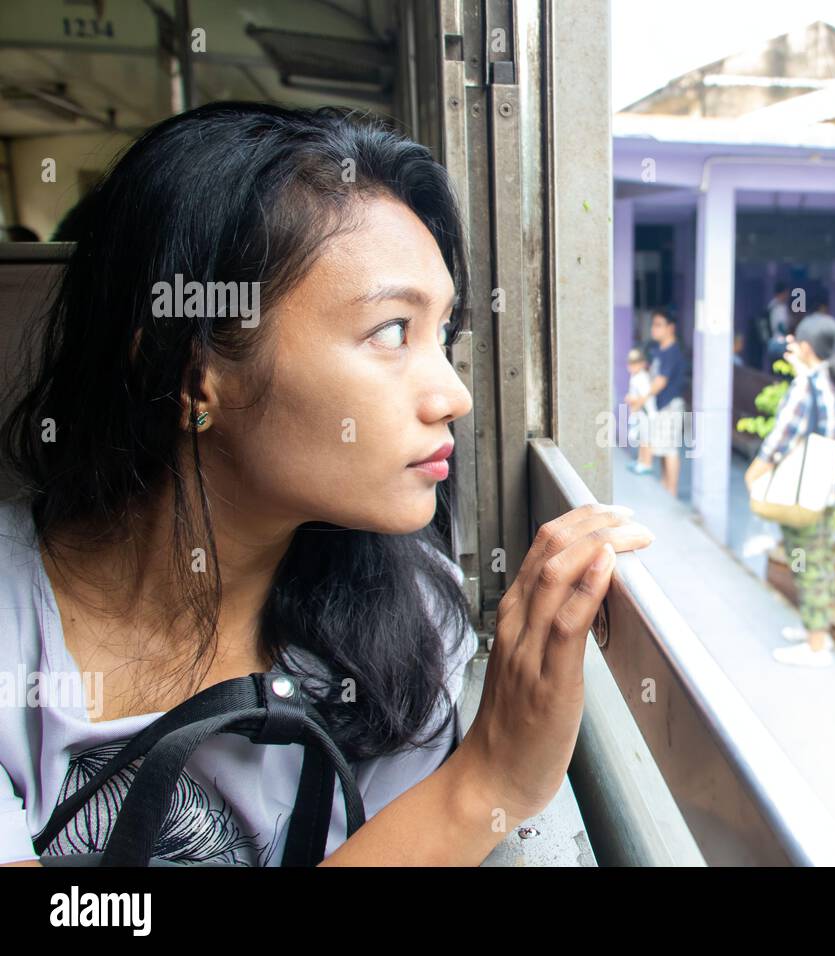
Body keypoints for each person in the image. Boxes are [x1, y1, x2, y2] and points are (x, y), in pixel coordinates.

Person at [0, 102, 654, 867]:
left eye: (442, 334)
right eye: (390, 333)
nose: (454, 395)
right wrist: (483, 784)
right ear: (193, 373)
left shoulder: (404, 629)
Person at [744, 316, 835, 669]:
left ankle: (816, 646)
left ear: (805, 347)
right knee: (819, 559)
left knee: (808, 563)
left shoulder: (806, 388)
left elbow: (782, 436)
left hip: (803, 491)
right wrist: (802, 369)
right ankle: (816, 629)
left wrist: (756, 470)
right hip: (828, 487)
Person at [629, 309, 686, 499]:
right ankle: (665, 486)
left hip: (671, 406)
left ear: (671, 328)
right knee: (661, 448)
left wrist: (640, 401)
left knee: (669, 449)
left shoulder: (672, 352)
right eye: (653, 324)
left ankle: (672, 490)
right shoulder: (659, 350)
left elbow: (660, 381)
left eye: (659, 325)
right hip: (661, 407)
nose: (654, 328)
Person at [624, 347, 656, 474]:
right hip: (639, 413)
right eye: (630, 363)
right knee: (641, 439)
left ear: (642, 364)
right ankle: (640, 461)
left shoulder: (642, 378)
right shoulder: (635, 376)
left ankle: (647, 464)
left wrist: (632, 400)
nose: (632, 366)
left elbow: (644, 397)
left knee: (645, 440)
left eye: (635, 363)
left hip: (645, 413)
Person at [764, 285, 792, 370]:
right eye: (786, 293)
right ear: (782, 293)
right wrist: (788, 335)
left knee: (774, 369)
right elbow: (781, 326)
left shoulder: (771, 305)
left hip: (771, 342)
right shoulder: (779, 307)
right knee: (782, 369)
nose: (787, 296)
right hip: (779, 342)